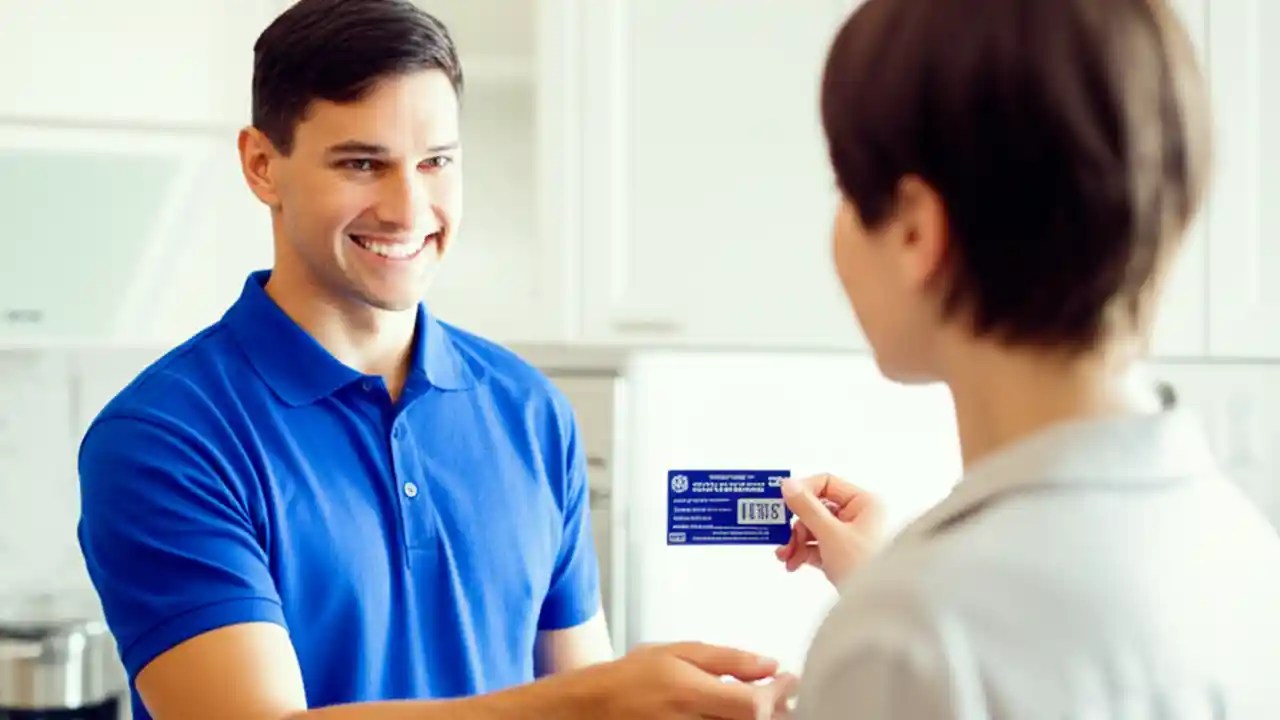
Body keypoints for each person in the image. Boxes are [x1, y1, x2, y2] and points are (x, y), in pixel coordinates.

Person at [75, 1, 792, 718]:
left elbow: (588, 700)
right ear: (263, 166)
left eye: (435, 162)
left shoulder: (530, 411)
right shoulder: (165, 438)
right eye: (363, 163)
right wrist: (596, 696)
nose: (408, 208)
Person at [773, 0, 1280, 716]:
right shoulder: (1244, 555)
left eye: (846, 191)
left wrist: (879, 643)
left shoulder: (911, 636)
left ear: (917, 230)